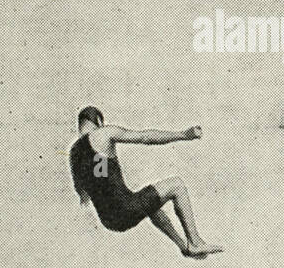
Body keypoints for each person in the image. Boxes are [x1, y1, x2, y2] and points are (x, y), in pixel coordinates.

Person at [69, 106, 222, 258]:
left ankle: (183, 247)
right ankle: (195, 241)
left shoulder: (74, 153)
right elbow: (146, 137)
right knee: (177, 185)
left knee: (152, 204)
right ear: (98, 121)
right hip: (126, 209)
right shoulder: (102, 134)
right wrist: (184, 135)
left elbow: (84, 194)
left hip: (109, 220)